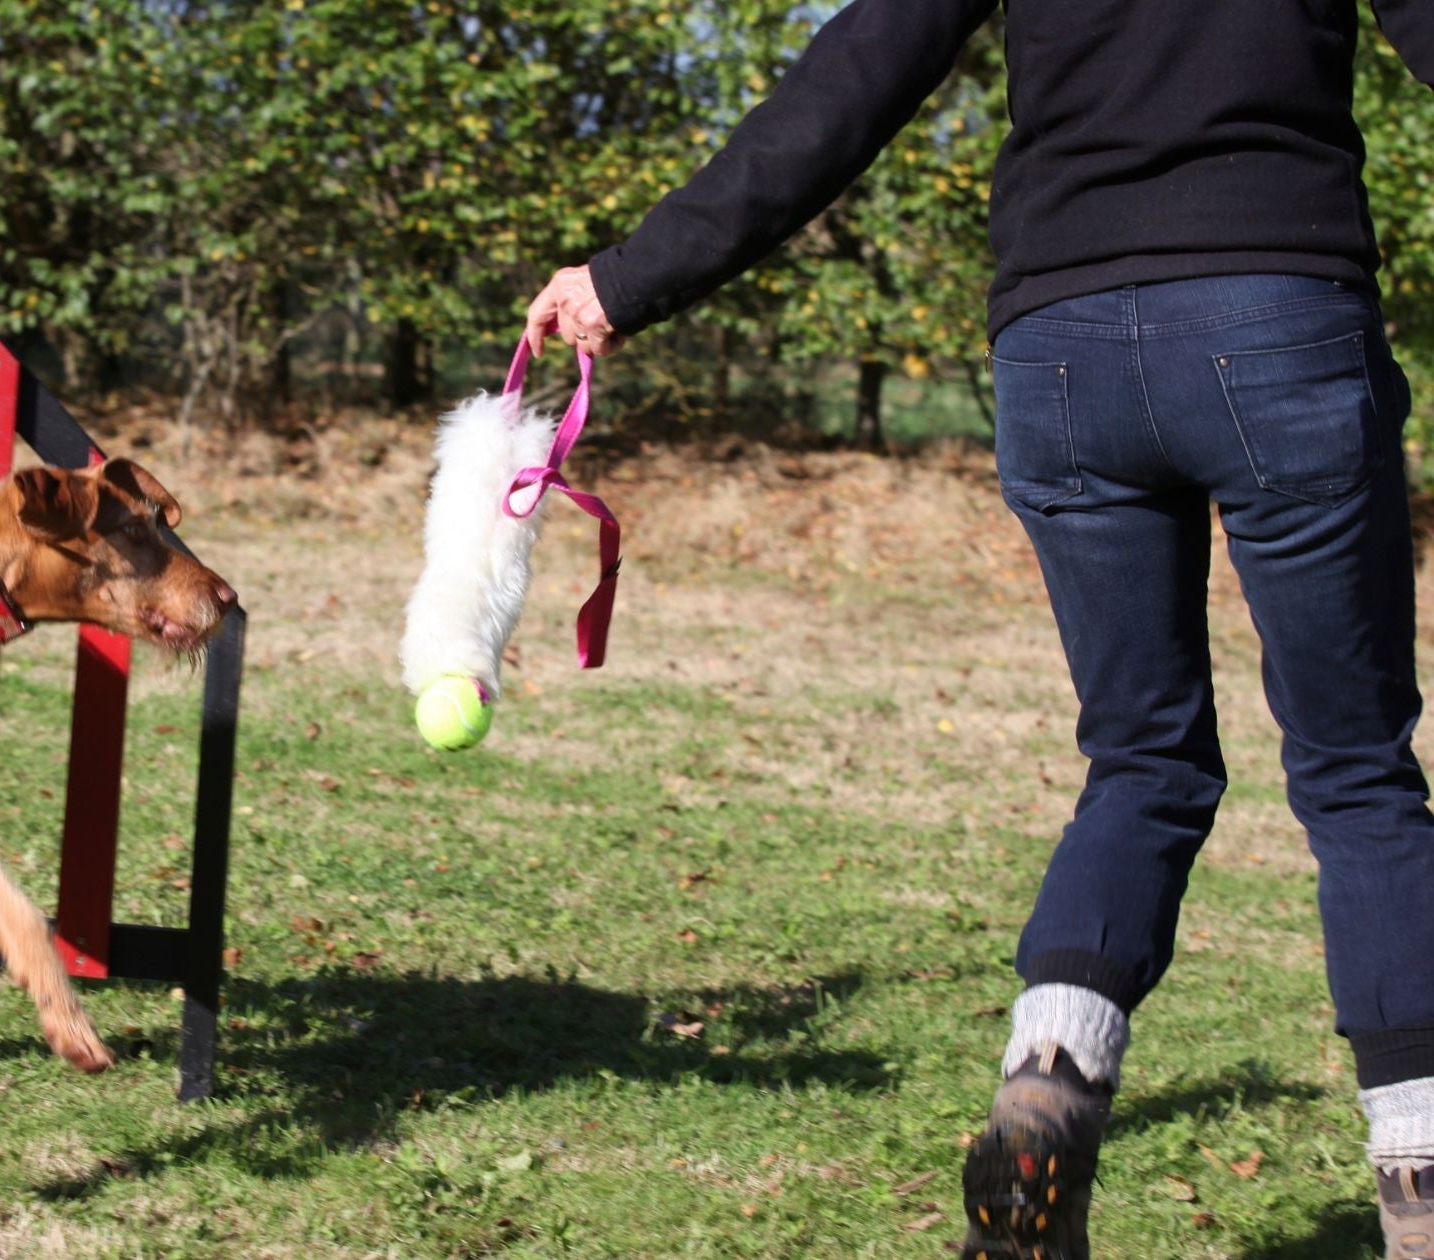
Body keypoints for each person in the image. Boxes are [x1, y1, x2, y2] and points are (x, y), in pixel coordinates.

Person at [523, 5, 1434, 1258]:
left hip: (1060, 356)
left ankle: (1045, 1086)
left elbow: (851, 79)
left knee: (1142, 762)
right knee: (1353, 774)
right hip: (1273, 316)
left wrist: (626, 279)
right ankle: (1421, 1171)